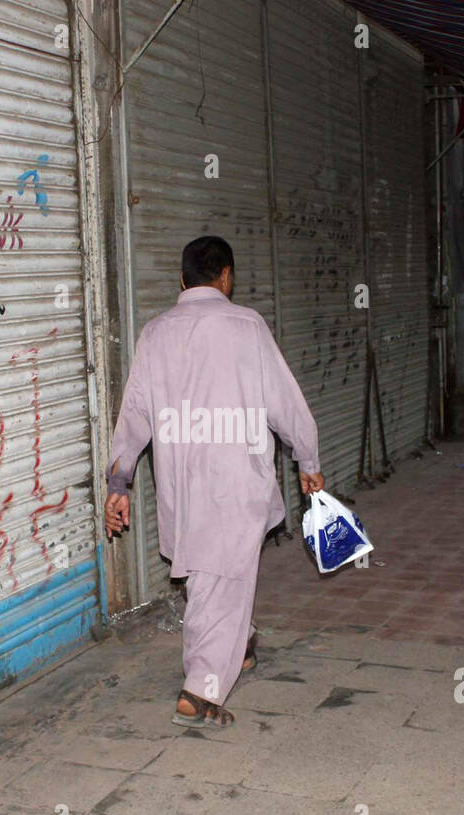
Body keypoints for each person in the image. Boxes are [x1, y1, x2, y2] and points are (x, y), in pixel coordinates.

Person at [103, 236, 324, 729]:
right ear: (226, 277)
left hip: (181, 484)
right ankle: (200, 690)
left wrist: (119, 482)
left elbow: (134, 416)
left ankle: (240, 643)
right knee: (220, 577)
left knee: (213, 575)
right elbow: (286, 404)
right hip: (235, 478)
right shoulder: (247, 325)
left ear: (182, 280)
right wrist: (307, 458)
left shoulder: (155, 334)